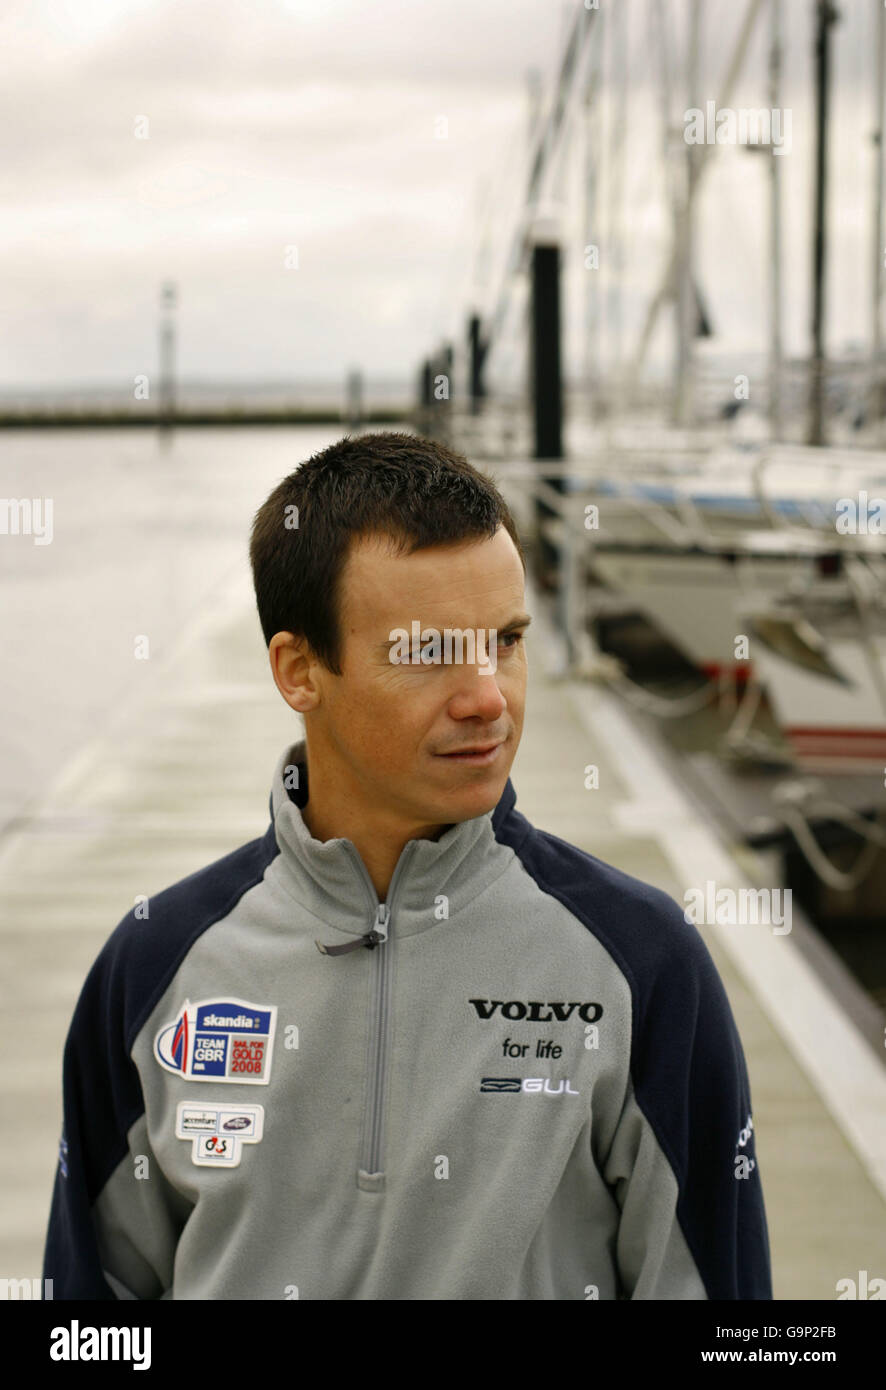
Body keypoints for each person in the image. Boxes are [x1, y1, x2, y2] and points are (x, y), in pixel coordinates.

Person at [43, 431, 772, 1300]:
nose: (487, 698)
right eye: (428, 652)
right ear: (300, 668)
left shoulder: (642, 965)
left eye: (504, 640)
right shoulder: (155, 966)